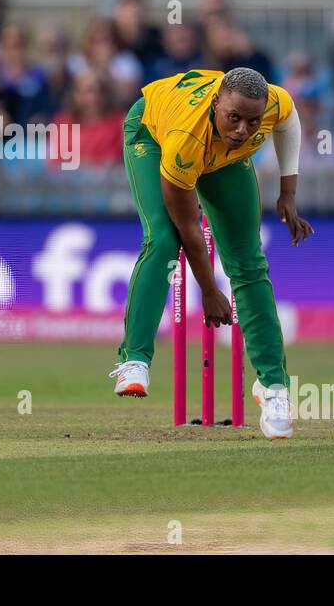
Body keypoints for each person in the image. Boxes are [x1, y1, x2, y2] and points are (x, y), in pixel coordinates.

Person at [110, 67, 314, 440]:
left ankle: (273, 388)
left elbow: (290, 122)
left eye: (253, 122)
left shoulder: (273, 103)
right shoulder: (184, 137)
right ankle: (134, 360)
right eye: (233, 118)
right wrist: (208, 290)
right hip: (154, 133)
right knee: (163, 240)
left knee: (249, 263)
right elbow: (189, 225)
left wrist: (288, 193)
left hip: (222, 158)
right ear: (216, 102)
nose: (242, 131)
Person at [48, 70, 124, 169]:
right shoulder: (62, 123)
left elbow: (116, 162)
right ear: (76, 94)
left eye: (100, 92)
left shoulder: (119, 123)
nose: (94, 98)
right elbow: (57, 164)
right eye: (88, 92)